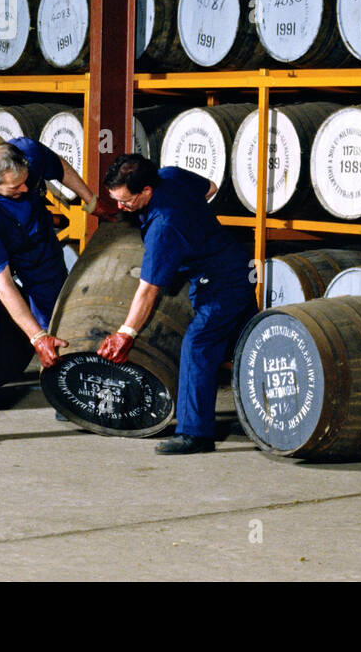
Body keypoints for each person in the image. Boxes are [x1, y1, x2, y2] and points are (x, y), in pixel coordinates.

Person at [97, 154, 256, 455]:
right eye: (116, 200)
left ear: (146, 190)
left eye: (127, 201)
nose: (121, 207)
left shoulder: (164, 226)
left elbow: (148, 290)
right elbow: (208, 188)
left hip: (222, 281)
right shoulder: (169, 174)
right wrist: (196, 227)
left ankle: (194, 434)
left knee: (198, 345)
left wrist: (125, 334)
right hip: (238, 264)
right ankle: (266, 415)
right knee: (247, 347)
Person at [0, 138, 97, 446]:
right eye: (15, 188)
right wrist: (36, 337)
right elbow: (2, 283)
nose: (25, 189)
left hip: (35, 240)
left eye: (26, 182)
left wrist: (91, 200)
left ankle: (63, 395)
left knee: (57, 308)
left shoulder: (24, 154)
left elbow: (59, 167)